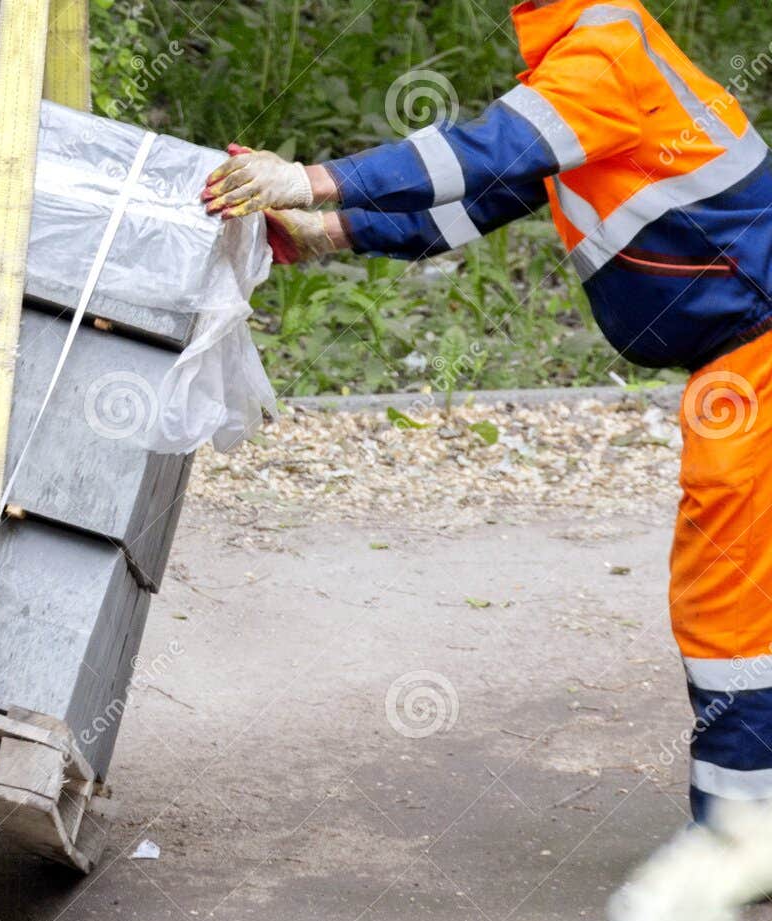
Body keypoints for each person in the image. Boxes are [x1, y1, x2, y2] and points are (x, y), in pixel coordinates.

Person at [204, 0, 772, 829]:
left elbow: (487, 152)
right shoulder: (585, 67)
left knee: (730, 598)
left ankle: (742, 835)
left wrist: (313, 178)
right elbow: (483, 194)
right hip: (741, 358)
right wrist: (326, 228)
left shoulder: (604, 57)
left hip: (756, 357)